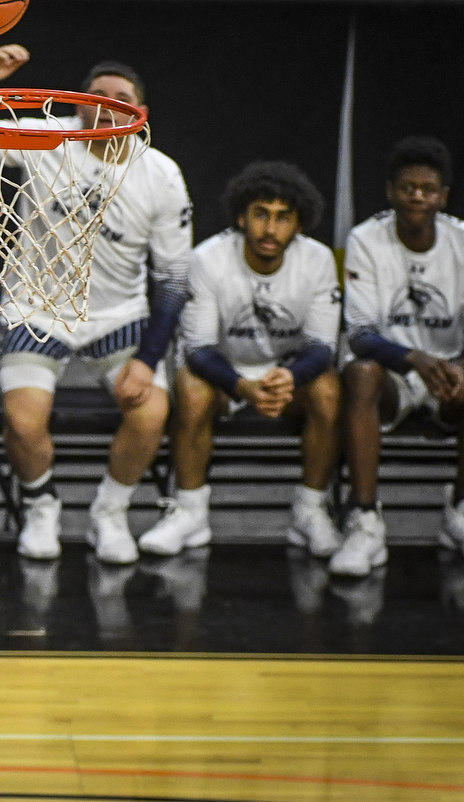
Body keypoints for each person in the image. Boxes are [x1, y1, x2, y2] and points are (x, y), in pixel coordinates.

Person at [0, 47, 194, 564]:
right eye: (97, 95)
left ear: (140, 111)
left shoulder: (161, 174)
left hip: (118, 317)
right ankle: (41, 504)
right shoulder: (49, 140)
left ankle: (110, 512)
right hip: (38, 308)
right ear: (78, 105)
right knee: (24, 420)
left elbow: (172, 281)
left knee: (151, 410)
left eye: (123, 97)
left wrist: (147, 358)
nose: (109, 104)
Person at [142, 162, 342, 557]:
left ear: (299, 225)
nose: (271, 229)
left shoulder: (317, 261)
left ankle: (311, 512)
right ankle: (190, 512)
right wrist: (241, 386)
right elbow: (197, 348)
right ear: (241, 217)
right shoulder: (208, 258)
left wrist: (289, 376)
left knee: (329, 390)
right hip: (225, 376)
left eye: (283, 218)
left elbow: (322, 346)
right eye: (261, 215)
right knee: (190, 387)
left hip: (288, 378)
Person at [336, 136, 464, 576]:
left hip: (450, 376)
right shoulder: (365, 238)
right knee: (360, 374)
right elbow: (361, 334)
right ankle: (366, 520)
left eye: (428, 189)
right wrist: (416, 360)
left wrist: (463, 367)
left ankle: (463, 511)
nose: (417, 197)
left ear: (443, 196)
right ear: (390, 191)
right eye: (407, 188)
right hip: (396, 376)